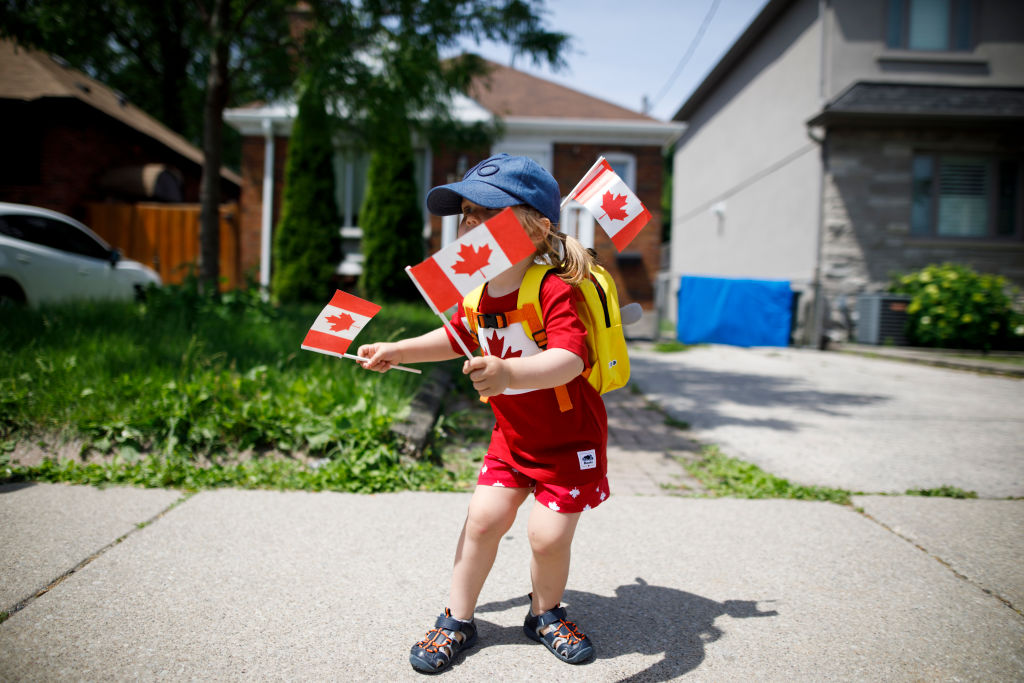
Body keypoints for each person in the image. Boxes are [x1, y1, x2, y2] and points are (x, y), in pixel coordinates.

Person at [357, 154, 609, 674]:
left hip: (568, 438)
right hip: (514, 439)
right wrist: (398, 349)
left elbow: (570, 359)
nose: (469, 223)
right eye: (466, 213)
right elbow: (452, 338)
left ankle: (546, 613)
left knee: (547, 535)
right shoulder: (475, 296)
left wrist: (511, 374)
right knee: (482, 520)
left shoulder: (551, 288)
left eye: (486, 213)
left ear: (535, 228)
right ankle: (457, 619)